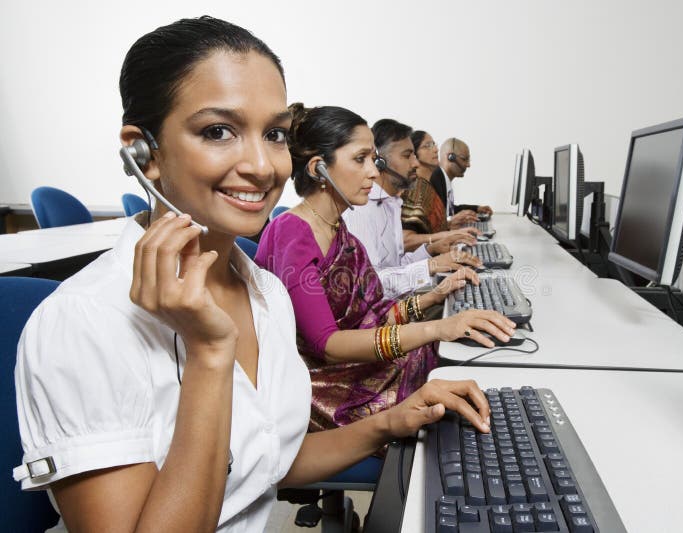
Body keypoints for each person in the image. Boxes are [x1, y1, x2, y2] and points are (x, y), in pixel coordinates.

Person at [13, 17, 493, 532]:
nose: (263, 166)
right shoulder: (84, 324)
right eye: (218, 131)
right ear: (143, 154)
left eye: (275, 134)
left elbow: (269, 465)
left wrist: (395, 421)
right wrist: (210, 355)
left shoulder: (265, 293)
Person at [255, 104, 516, 432]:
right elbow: (328, 346)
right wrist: (437, 328)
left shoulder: (338, 231)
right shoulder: (293, 234)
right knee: (449, 405)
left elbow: (376, 313)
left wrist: (435, 296)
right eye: (360, 159)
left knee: (461, 381)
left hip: (353, 372)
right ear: (319, 169)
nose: (374, 173)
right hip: (322, 390)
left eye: (374, 160)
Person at [342, 119, 481, 299]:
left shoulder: (391, 203)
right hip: (384, 318)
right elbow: (370, 284)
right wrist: (430, 266)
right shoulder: (361, 210)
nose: (415, 163)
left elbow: (397, 266)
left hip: (402, 303)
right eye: (407, 156)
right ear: (379, 162)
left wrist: (431, 250)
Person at [431, 137, 493, 219]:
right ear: (450, 157)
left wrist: (476, 208)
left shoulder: (444, 179)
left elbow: (450, 210)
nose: (468, 165)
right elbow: (437, 221)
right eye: (464, 159)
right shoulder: (435, 179)